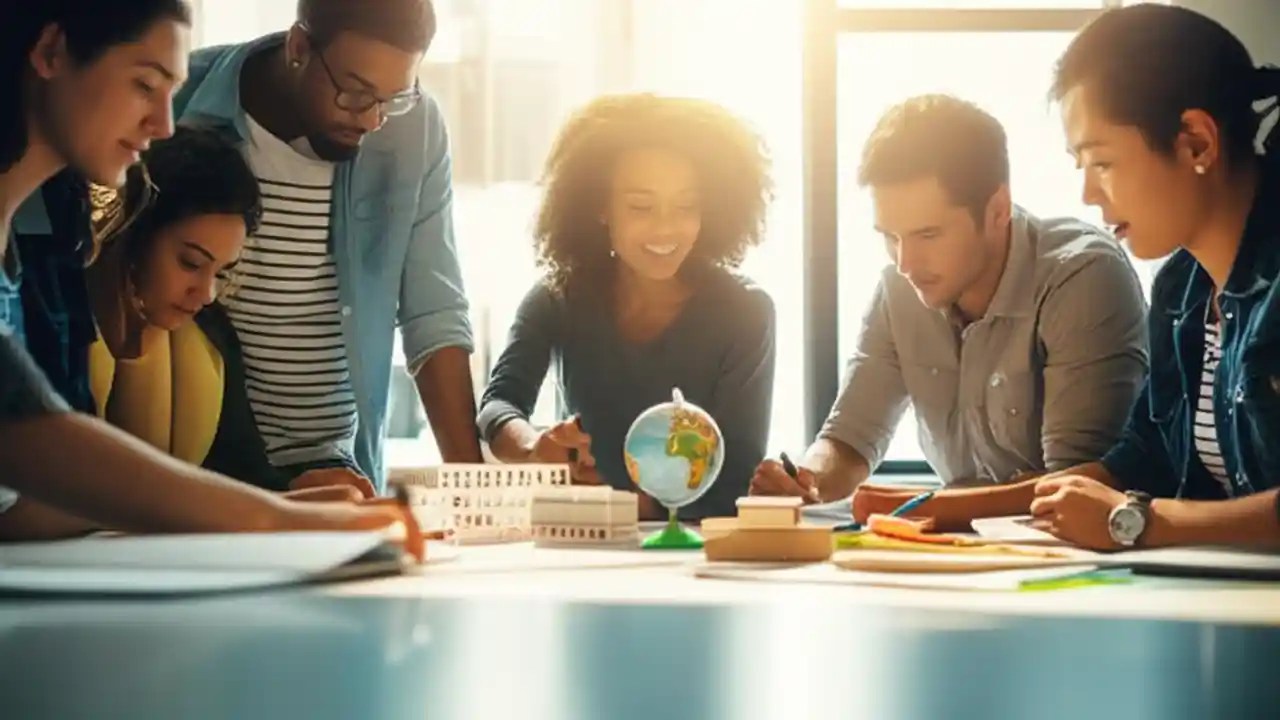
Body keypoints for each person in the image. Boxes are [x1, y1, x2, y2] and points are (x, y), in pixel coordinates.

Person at [0, 0, 416, 551]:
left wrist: (275, 508)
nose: (163, 124)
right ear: (51, 51)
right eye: (145, 85)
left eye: (171, 93)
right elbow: (34, 447)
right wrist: (273, 517)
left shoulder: (41, 235)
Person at [749, 94, 1149, 529]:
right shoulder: (900, 288)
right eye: (890, 236)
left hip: (1084, 558)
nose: (905, 263)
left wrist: (923, 506)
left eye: (927, 234)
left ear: (997, 210)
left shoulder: (1082, 277)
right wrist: (808, 482)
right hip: (966, 556)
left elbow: (1076, 487)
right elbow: (849, 438)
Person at [171, 0, 480, 495]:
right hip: (205, 474)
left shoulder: (414, 126)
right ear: (298, 47)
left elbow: (434, 311)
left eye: (393, 97)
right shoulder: (177, 101)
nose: (374, 120)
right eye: (356, 93)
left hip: (343, 476)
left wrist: (473, 490)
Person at [1029, 3, 1280, 550]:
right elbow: (1141, 459)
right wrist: (949, 511)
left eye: (1103, 163)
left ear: (1196, 142)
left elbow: (1132, 504)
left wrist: (1138, 522)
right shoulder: (1178, 291)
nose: (1089, 195)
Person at [478, 93, 776, 521]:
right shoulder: (558, 298)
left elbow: (739, 473)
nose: (665, 227)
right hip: (585, 545)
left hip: (690, 550)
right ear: (600, 206)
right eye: (640, 206)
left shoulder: (745, 312)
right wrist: (532, 449)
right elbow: (498, 405)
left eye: (686, 206)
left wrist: (635, 508)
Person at [85, 126, 329, 494]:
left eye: (222, 272)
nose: (207, 293)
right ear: (135, 232)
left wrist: (299, 492)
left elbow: (244, 477)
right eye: (190, 262)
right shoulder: (59, 319)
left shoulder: (210, 339)